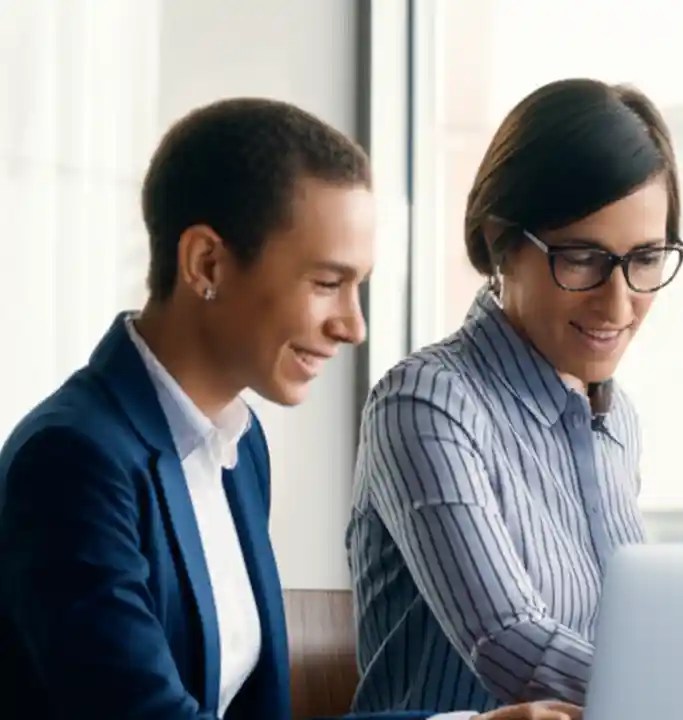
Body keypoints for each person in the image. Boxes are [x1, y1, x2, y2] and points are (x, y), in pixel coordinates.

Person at [0, 97, 581, 720]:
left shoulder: (239, 447)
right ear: (207, 263)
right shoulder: (71, 461)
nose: (353, 325)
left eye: (358, 286)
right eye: (328, 283)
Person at [347, 78, 683, 714]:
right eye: (583, 258)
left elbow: (626, 632)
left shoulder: (617, 420)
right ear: (501, 240)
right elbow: (510, 644)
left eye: (646, 259)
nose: (619, 304)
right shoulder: (425, 404)